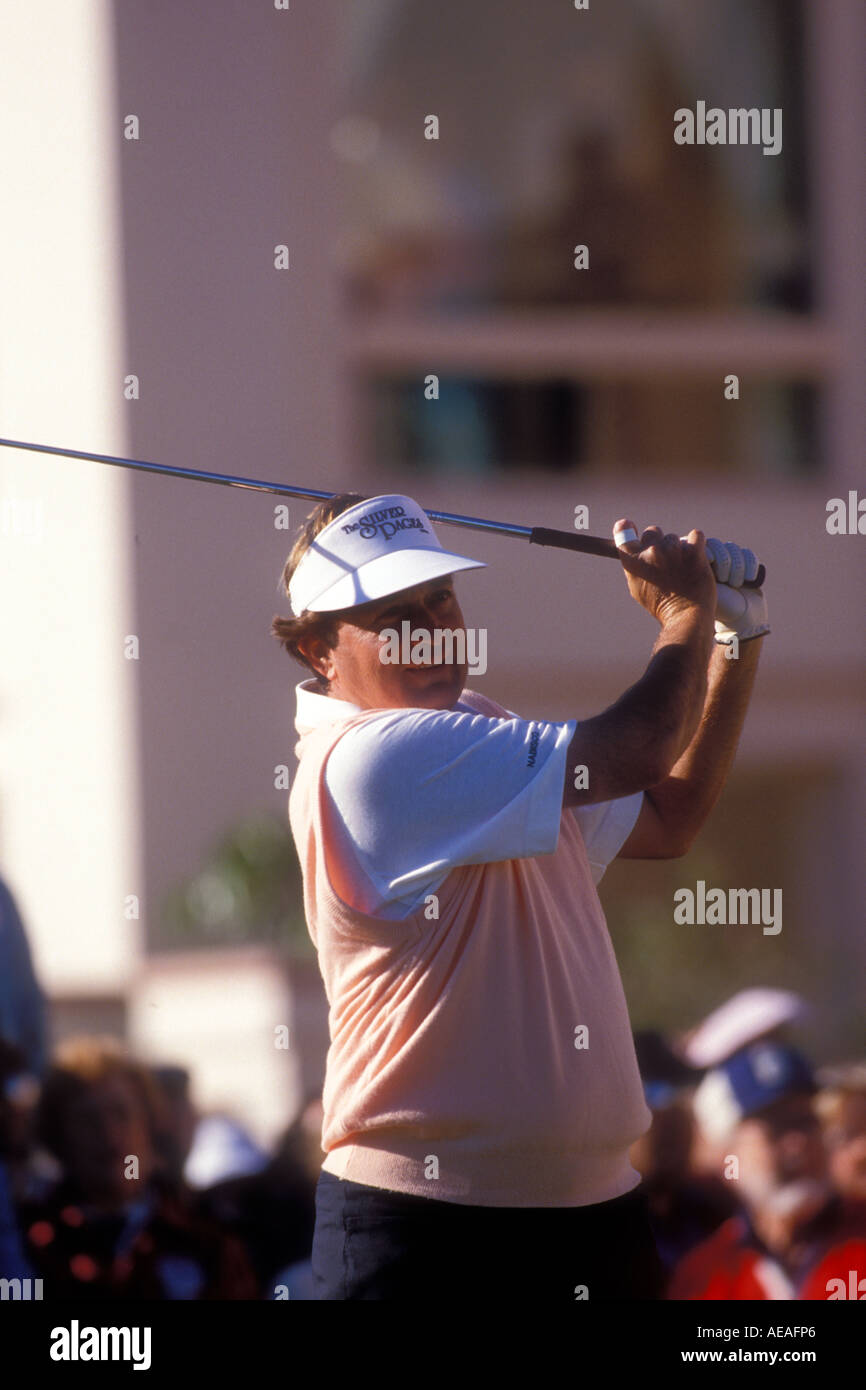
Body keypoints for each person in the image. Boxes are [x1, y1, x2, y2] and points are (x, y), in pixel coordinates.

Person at [270, 491, 769, 1300]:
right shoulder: (366, 758)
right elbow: (639, 748)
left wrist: (731, 640)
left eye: (440, 598)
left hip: (595, 1218)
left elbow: (669, 817)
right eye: (393, 613)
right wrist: (682, 614)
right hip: (427, 1229)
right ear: (319, 650)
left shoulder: (479, 726)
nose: (431, 626)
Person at [669, 1041, 866, 1299]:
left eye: (806, 1122)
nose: (797, 1142)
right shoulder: (702, 1276)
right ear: (728, 1150)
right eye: (776, 1128)